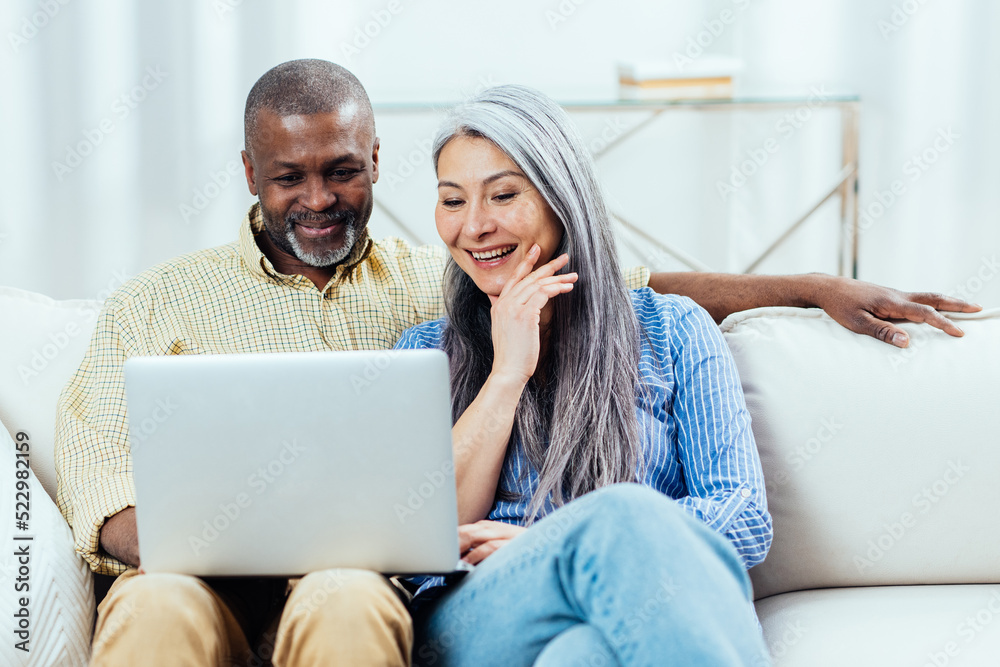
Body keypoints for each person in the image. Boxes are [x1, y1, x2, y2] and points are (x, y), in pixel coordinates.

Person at [54, 59, 977, 667]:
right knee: (155, 606)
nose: (318, 198)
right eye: (456, 200)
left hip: (377, 596)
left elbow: (641, 290)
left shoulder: (450, 286)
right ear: (251, 174)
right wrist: (504, 371)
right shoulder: (422, 330)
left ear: (374, 164)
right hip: (301, 592)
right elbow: (102, 491)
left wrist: (812, 286)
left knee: (561, 647)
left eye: (341, 170)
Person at [394, 84, 772, 666]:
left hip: (630, 609)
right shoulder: (424, 355)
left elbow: (743, 513)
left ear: (561, 199)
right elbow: (418, 544)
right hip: (480, 618)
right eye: (452, 201)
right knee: (625, 515)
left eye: (503, 195)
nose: (474, 226)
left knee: (584, 653)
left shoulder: (672, 330)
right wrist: (507, 372)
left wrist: (561, 545)